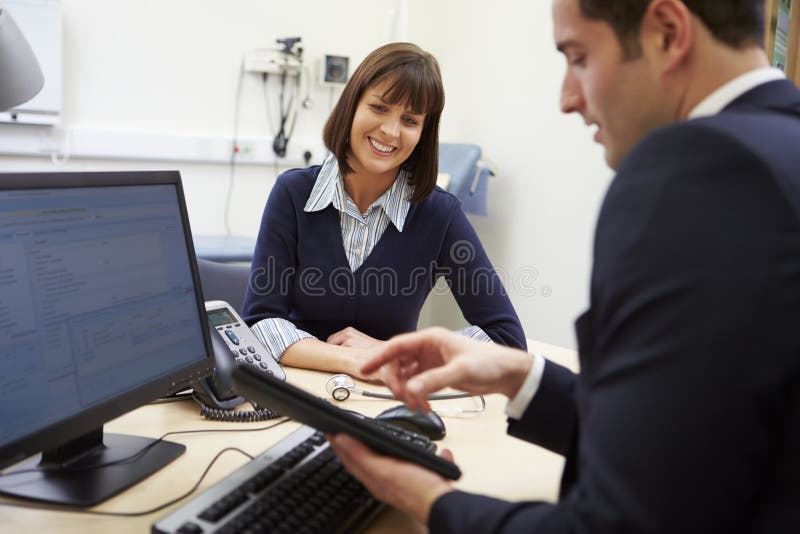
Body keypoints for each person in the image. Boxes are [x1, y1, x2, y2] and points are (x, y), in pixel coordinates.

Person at [328, 0, 800, 531]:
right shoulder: (782, 149)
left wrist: (430, 500)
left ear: (668, 33)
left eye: (578, 57)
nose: (567, 98)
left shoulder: (697, 173)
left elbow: (617, 524)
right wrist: (522, 377)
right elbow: (696, 436)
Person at [242, 42, 526, 380]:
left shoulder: (440, 214)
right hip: (296, 390)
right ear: (352, 105)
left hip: (387, 397)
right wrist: (350, 359)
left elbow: (506, 340)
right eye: (379, 107)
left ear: (423, 133)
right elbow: (260, 323)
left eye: (410, 120)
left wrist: (394, 354)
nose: (391, 131)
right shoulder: (292, 194)